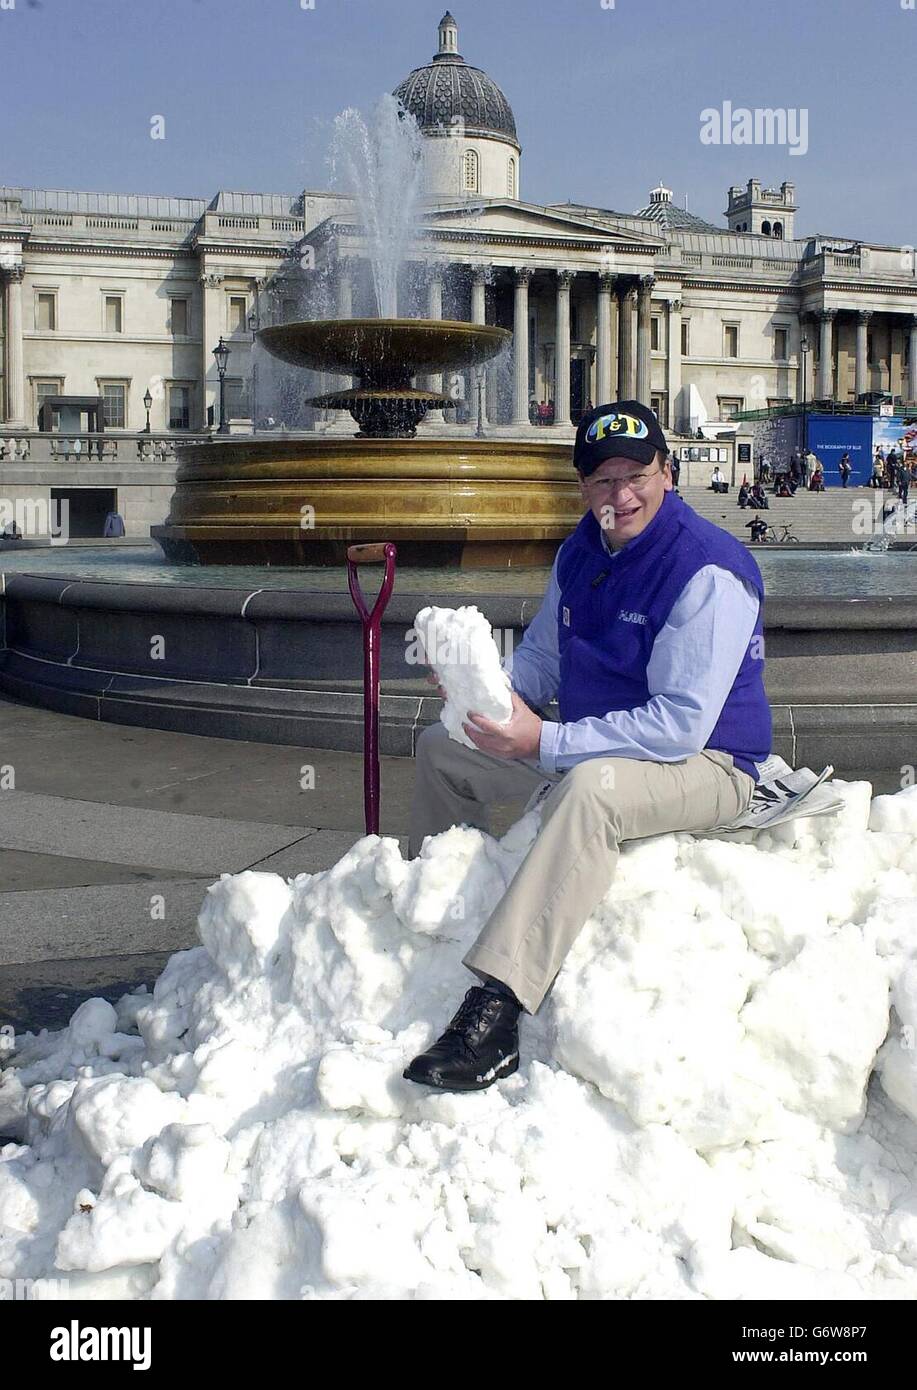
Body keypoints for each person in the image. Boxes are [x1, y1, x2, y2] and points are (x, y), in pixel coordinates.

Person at [404, 400, 772, 1093]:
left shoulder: (706, 569)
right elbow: (542, 659)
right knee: (441, 747)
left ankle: (498, 1010)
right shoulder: (580, 549)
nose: (620, 495)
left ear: (668, 472)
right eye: (602, 481)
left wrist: (544, 740)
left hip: (712, 764)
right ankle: (424, 914)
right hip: (590, 747)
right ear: (581, 488)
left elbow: (679, 726)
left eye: (636, 475)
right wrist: (483, 688)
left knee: (589, 791)